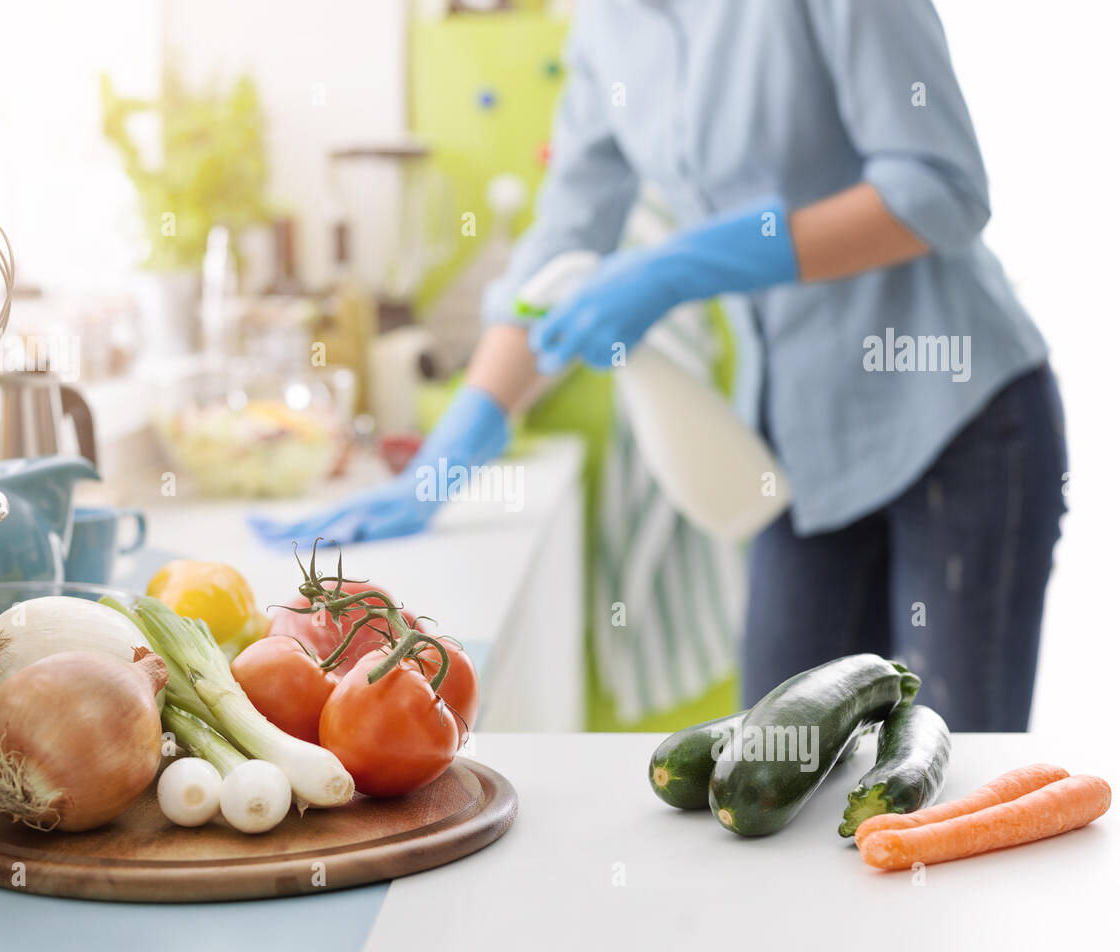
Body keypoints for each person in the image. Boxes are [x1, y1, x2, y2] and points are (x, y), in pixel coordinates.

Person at [257, 0, 1066, 732]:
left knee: (954, 779)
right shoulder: (609, 25)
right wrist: (458, 444)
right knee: (778, 765)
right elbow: (562, 242)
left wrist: (686, 262)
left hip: (959, 422)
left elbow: (940, 188)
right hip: (801, 455)